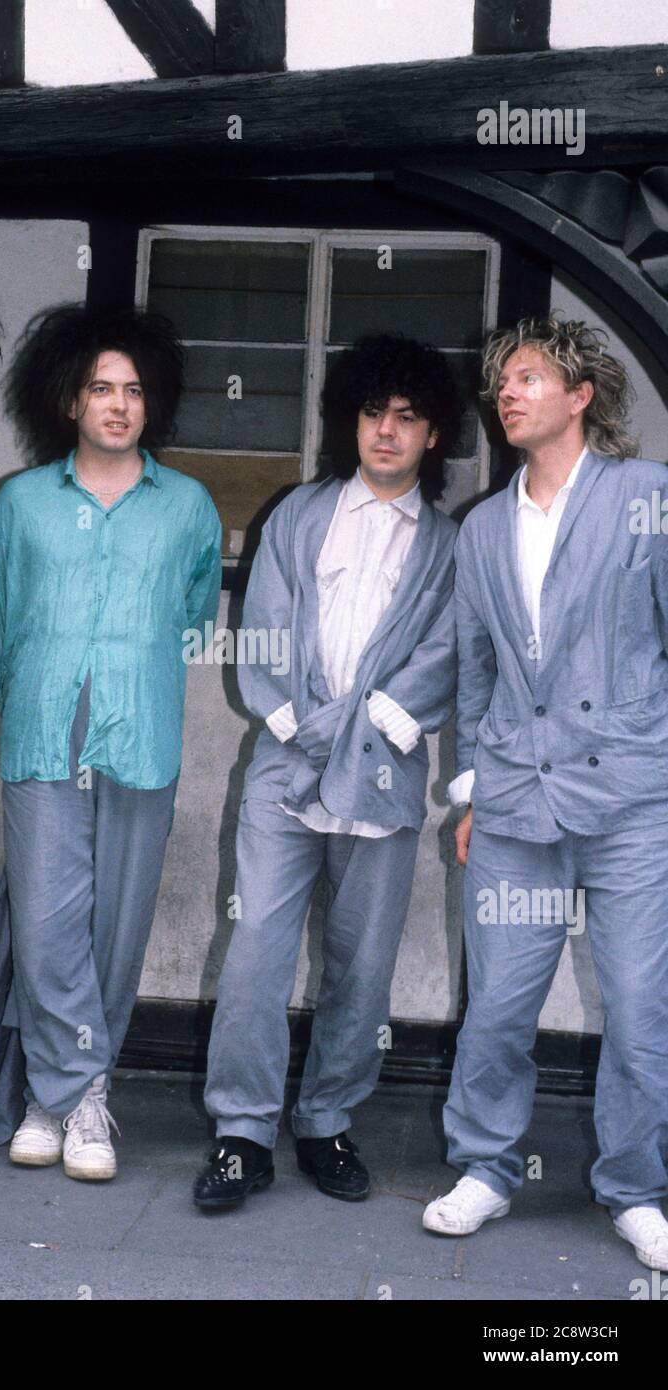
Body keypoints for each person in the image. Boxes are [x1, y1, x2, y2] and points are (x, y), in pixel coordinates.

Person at [193, 335, 461, 1209]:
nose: (387, 431)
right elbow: (264, 621)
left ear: (432, 434)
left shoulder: (449, 546)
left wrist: (390, 718)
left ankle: (325, 1124)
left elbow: (449, 647)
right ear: (351, 421)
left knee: (363, 965)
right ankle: (240, 1132)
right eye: (373, 413)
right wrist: (287, 716)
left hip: (383, 773)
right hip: (287, 765)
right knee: (257, 955)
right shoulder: (300, 515)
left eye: (408, 417)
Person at [424, 315, 668, 1274]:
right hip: (517, 804)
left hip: (632, 803)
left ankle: (638, 1188)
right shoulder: (482, 527)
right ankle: (485, 1167)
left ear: (581, 396)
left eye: (528, 378)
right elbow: (475, 671)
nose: (507, 394)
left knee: (645, 1006)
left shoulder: (649, 498)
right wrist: (476, 790)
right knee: (496, 1005)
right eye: (502, 383)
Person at [0, 307, 221, 1181]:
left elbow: (192, 614)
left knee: (115, 927)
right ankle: (63, 1098)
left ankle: (72, 1100)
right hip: (46, 731)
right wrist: (38, 697)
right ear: (70, 400)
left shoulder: (186, 506)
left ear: (154, 403)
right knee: (45, 928)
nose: (118, 405)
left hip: (141, 734)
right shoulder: (21, 504)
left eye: (134, 390)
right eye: (101, 389)